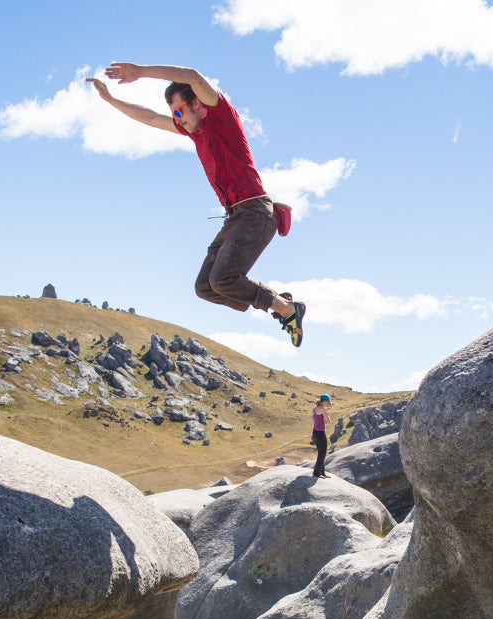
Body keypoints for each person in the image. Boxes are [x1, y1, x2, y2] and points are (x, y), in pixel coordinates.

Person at [86, 63, 307, 347]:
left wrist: (140, 72)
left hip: (255, 212)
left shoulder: (220, 114)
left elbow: (190, 76)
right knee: (205, 286)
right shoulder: (193, 131)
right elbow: (151, 119)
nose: (176, 118)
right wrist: (112, 101)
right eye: (173, 114)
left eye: (179, 111)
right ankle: (281, 303)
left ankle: (287, 308)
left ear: (197, 104)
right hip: (236, 217)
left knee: (223, 279)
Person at [312, 394, 332, 478]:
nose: (328, 404)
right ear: (324, 401)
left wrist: (325, 418)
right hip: (320, 433)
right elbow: (328, 421)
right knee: (322, 453)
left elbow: (324, 420)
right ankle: (316, 473)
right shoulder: (322, 409)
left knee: (321, 452)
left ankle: (322, 472)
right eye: (328, 402)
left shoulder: (315, 408)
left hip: (315, 432)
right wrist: (327, 417)